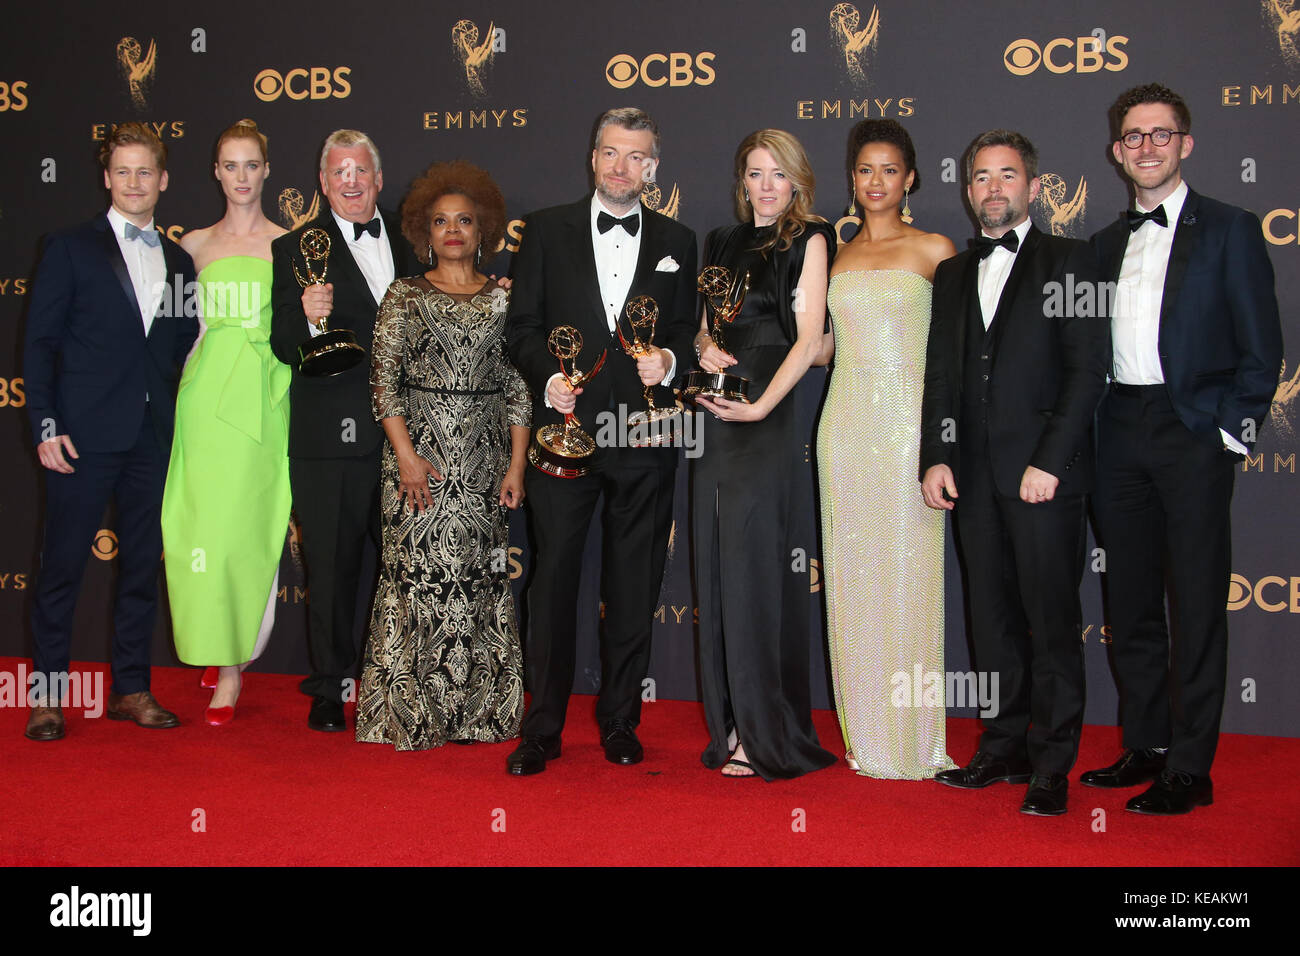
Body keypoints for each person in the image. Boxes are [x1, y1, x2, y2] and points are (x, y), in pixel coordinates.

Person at [1082, 84, 1283, 814]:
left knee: (1195, 602)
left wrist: (1231, 435)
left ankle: (1191, 768)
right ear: (1116, 151)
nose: (1146, 147)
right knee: (1130, 600)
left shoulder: (1231, 228)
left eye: (1160, 134)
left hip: (1193, 430)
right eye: (1133, 136)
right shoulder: (1104, 244)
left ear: (1185, 143)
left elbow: (1263, 351)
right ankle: (1148, 744)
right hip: (1119, 430)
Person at [919, 129, 1108, 815]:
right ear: (967, 190)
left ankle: (1053, 762)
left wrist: (1048, 463)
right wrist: (936, 455)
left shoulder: (1074, 260)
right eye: (979, 177)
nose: (992, 188)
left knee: (1052, 622)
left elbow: (1089, 372)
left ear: (1033, 186)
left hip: (1044, 480)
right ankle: (1003, 747)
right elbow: (941, 375)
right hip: (971, 477)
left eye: (1006, 175)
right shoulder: (952, 273)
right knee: (991, 620)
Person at [505, 107, 697, 775]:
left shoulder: (680, 239)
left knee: (635, 584)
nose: (622, 167)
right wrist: (546, 380)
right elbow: (522, 328)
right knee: (553, 582)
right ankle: (543, 729)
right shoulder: (545, 231)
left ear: (653, 167)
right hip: (565, 436)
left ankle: (620, 721)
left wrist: (668, 364)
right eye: (611, 153)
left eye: (636, 156)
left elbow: (686, 335)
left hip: (644, 436)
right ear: (593, 158)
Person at [23, 122, 198, 740]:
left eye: (144, 171)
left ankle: (130, 688)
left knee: (142, 565)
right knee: (62, 566)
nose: (133, 182)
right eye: (122, 171)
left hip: (152, 437)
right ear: (106, 178)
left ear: (163, 180)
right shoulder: (69, 247)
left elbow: (179, 347)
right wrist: (46, 423)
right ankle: (47, 697)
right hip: (81, 437)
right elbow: (39, 344)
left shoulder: (179, 261)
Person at [356, 161, 530, 750]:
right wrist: (405, 455)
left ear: (484, 232)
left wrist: (515, 463)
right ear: (423, 233)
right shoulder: (403, 296)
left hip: (483, 462)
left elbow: (517, 387)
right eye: (440, 221)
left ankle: (479, 714)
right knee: (416, 577)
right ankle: (410, 715)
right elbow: (384, 381)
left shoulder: (506, 302)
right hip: (419, 460)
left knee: (479, 581)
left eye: (464, 221)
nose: (452, 230)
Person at [691, 129, 836, 780]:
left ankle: (766, 731)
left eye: (779, 174)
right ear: (741, 180)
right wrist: (701, 349)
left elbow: (809, 341)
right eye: (756, 173)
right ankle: (731, 723)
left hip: (767, 415)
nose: (767, 186)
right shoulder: (720, 242)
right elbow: (707, 324)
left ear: (798, 181)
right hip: (717, 415)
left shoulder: (811, 241)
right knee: (718, 567)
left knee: (755, 572)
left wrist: (762, 408)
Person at [816, 119, 958, 779]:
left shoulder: (934, 250)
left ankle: (917, 739)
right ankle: (868, 735)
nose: (876, 182)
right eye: (865, 170)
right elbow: (820, 349)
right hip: (843, 432)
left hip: (908, 433)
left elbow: (957, 356)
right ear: (853, 179)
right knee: (853, 581)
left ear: (911, 178)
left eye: (890, 170)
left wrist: (942, 442)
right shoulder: (835, 255)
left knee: (911, 582)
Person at [270, 129, 422, 732]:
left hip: (409, 438)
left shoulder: (415, 245)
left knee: (407, 564)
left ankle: (400, 679)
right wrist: (306, 320)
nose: (352, 181)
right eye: (339, 172)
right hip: (329, 441)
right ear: (323, 183)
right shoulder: (294, 248)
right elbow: (283, 345)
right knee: (331, 568)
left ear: (379, 180)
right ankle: (329, 687)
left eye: (361, 170)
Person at [161, 119, 290, 726]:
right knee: (201, 529)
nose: (241, 177)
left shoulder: (290, 242)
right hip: (204, 394)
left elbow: (300, 331)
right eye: (229, 165)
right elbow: (176, 333)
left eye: (251, 165)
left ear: (266, 171)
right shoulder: (191, 245)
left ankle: (236, 661)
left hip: (264, 395)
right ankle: (220, 652)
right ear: (216, 172)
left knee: (248, 529)